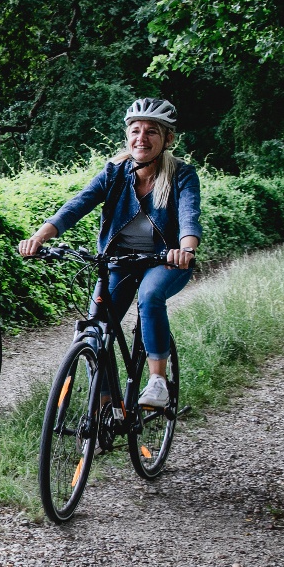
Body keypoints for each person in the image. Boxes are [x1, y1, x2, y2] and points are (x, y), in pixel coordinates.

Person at [16, 97, 201, 408]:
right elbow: (78, 205)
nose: (142, 138)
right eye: (136, 131)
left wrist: (185, 248)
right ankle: (103, 410)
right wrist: (39, 236)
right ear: (127, 135)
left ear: (168, 139)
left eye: (152, 132)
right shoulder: (115, 172)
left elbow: (188, 214)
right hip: (118, 260)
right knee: (95, 329)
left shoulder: (181, 173)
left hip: (164, 260)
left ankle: (158, 382)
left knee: (150, 296)